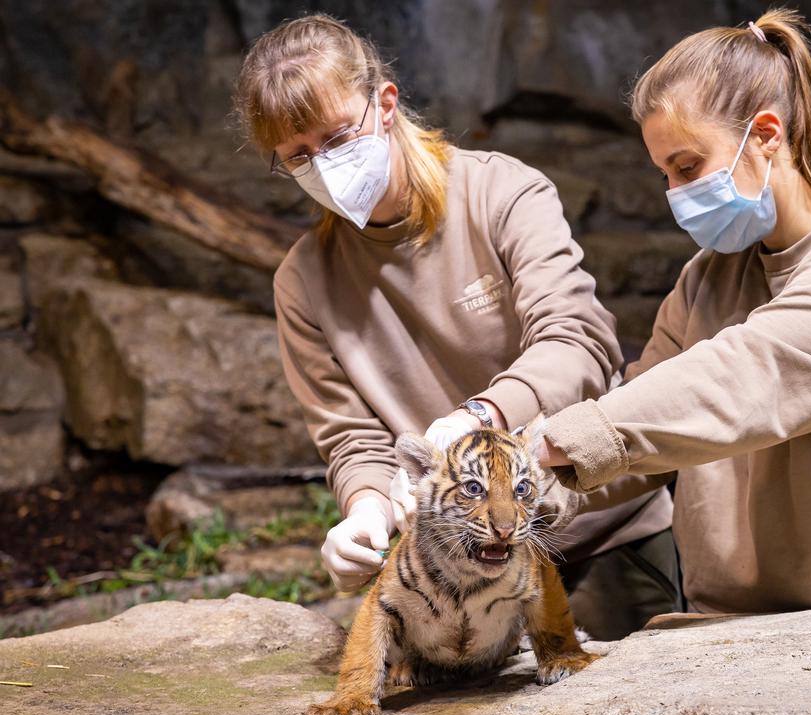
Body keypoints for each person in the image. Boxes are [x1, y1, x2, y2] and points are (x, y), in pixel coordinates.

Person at [233, 13, 679, 639]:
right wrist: (365, 511)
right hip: (464, 563)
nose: (323, 167)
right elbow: (352, 438)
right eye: (298, 157)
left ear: (384, 103)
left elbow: (577, 341)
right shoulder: (303, 280)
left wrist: (479, 417)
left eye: (336, 139)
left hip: (600, 523)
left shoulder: (503, 193)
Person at [538, 9, 811, 614]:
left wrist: (552, 440)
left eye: (688, 166)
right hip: (723, 622)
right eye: (665, 173)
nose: (675, 193)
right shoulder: (709, 276)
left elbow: (743, 376)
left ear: (767, 135)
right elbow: (640, 434)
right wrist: (494, 490)